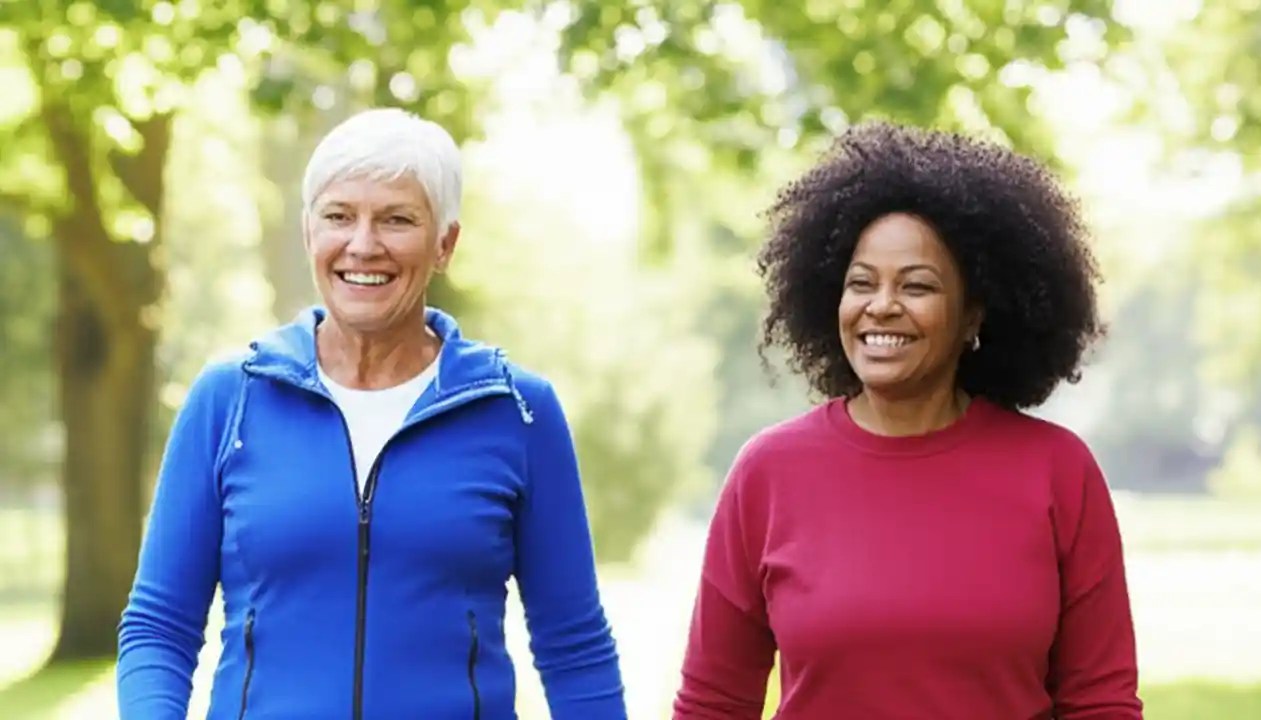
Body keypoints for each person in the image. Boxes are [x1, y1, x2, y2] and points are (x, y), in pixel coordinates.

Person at [117, 108, 627, 719]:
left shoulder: (517, 411)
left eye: (397, 219)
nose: (363, 244)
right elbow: (159, 626)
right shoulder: (229, 399)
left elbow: (574, 647)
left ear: (445, 243)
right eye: (338, 216)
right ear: (309, 232)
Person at [672, 122, 1142, 719]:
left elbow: (1101, 702)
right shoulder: (768, 471)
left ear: (973, 315)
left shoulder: (1057, 471)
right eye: (861, 283)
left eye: (917, 285)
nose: (882, 305)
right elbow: (714, 702)